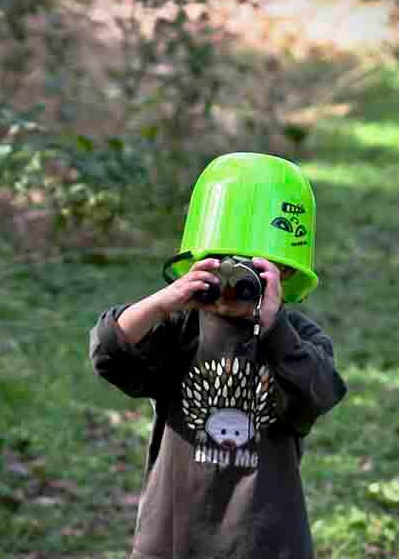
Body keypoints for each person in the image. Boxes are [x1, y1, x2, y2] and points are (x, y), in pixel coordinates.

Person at [89, 152, 347, 558]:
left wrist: (274, 326)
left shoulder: (298, 339)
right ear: (197, 263)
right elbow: (109, 351)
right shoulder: (179, 332)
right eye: (221, 267)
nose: (233, 285)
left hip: (266, 544)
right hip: (172, 540)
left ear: (288, 275)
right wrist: (163, 303)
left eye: (253, 274)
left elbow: (317, 394)